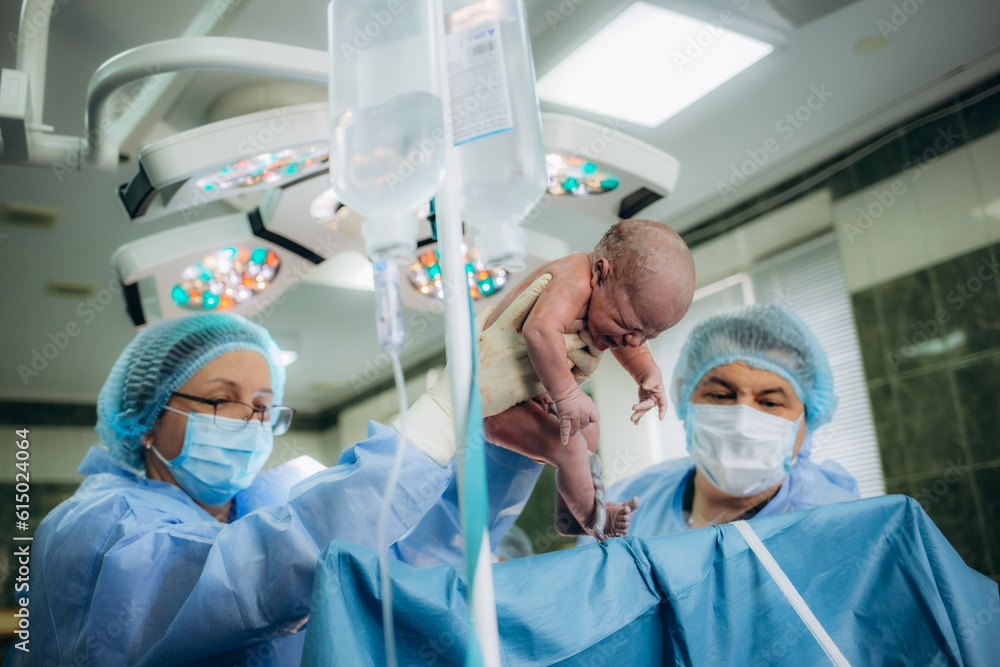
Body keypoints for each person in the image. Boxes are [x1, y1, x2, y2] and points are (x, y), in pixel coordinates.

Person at [8, 289, 559, 667]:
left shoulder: (269, 500)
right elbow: (251, 573)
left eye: (264, 405)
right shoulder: (100, 526)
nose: (251, 421)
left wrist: (503, 446)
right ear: (148, 418)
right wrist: (437, 416)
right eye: (223, 400)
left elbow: (417, 548)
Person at [481, 219, 696, 541]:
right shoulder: (573, 278)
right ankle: (595, 520)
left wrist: (647, 373)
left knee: (588, 430)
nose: (636, 342)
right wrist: (567, 395)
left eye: (649, 335)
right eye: (629, 325)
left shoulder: (610, 305)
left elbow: (630, 341)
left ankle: (569, 514)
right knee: (567, 448)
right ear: (600, 272)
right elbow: (539, 330)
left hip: (527, 395)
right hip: (492, 399)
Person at [574, 303, 860, 543]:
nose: (741, 423)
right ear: (686, 400)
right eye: (721, 395)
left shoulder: (836, 526)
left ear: (806, 421)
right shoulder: (628, 504)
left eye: (770, 403)